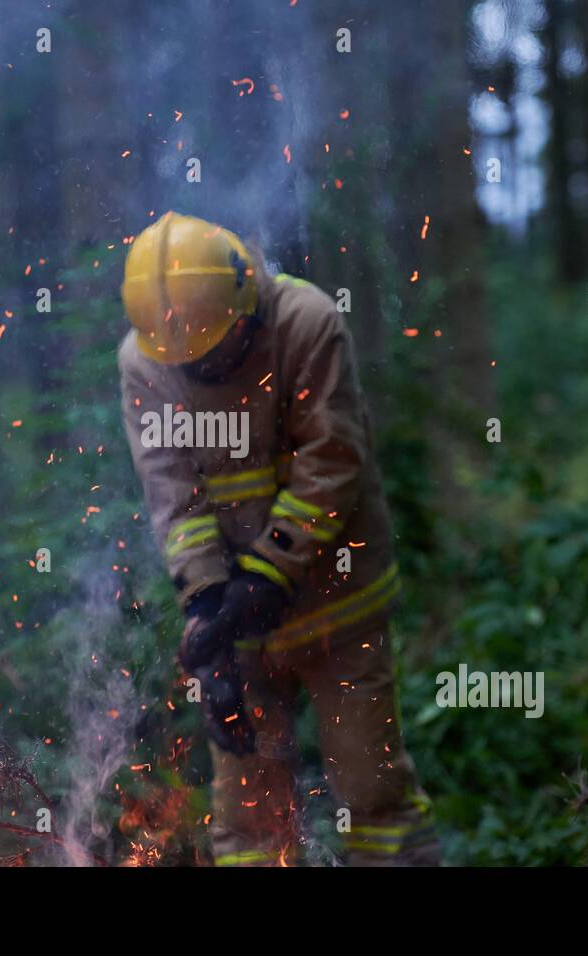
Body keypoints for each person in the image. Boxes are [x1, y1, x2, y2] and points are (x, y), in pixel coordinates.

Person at [118, 212, 440, 866]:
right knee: (250, 821)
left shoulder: (307, 322)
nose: (197, 368)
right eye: (184, 359)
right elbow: (173, 493)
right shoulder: (146, 359)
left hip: (338, 603)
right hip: (240, 625)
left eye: (209, 354)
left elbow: (333, 460)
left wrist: (269, 574)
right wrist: (209, 613)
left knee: (371, 792)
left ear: (245, 312)